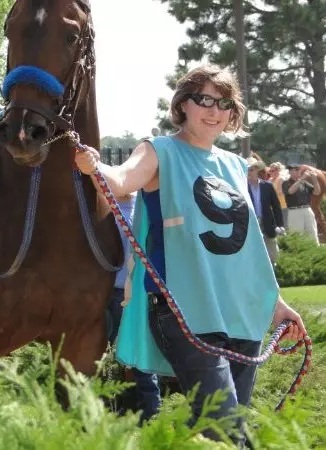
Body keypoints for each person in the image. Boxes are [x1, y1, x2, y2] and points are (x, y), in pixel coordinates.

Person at [75, 64, 305, 445]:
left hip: (241, 311)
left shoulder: (234, 164)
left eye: (224, 102)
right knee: (225, 424)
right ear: (183, 104)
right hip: (182, 310)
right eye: (204, 100)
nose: (214, 110)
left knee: (225, 431)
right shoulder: (158, 151)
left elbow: (246, 250)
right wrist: (93, 165)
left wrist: (276, 304)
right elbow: (119, 181)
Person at [106, 192, 160, 424]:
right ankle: (100, 408)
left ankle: (150, 413)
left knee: (140, 353)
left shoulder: (145, 205)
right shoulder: (105, 206)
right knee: (97, 354)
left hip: (137, 293)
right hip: (107, 292)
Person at [247, 157, 285, 265]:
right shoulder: (242, 187)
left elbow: (276, 207)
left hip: (267, 222)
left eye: (251, 170)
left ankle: (275, 273)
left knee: (272, 254)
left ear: (257, 170)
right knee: (252, 251)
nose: (249, 172)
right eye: (247, 170)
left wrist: (280, 224)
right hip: (251, 223)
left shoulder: (267, 186)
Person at [282, 163, 321, 244]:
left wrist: (314, 178)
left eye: (295, 170)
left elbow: (317, 192)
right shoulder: (286, 183)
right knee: (297, 236)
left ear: (299, 171)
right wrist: (301, 179)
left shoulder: (305, 183)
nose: (293, 172)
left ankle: (315, 252)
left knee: (312, 233)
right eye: (291, 170)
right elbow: (291, 191)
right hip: (294, 211)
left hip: (307, 210)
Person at [268, 162, 289, 227]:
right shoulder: (270, 180)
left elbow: (279, 192)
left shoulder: (281, 179)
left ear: (278, 170)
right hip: (273, 206)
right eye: (270, 171)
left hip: (282, 205)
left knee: (284, 224)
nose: (271, 173)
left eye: (272, 171)